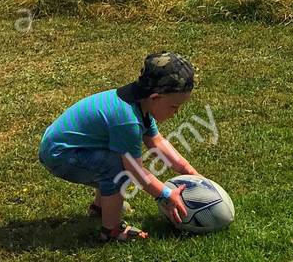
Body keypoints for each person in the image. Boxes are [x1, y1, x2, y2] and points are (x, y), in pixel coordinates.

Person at [38, 51, 200, 243]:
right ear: (155, 98)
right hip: (59, 155)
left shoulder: (139, 102)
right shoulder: (127, 121)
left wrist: (188, 170)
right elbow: (136, 171)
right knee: (118, 169)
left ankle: (100, 208)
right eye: (174, 107)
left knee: (113, 162)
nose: (177, 113)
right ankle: (111, 230)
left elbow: (157, 141)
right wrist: (166, 195)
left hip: (63, 147)